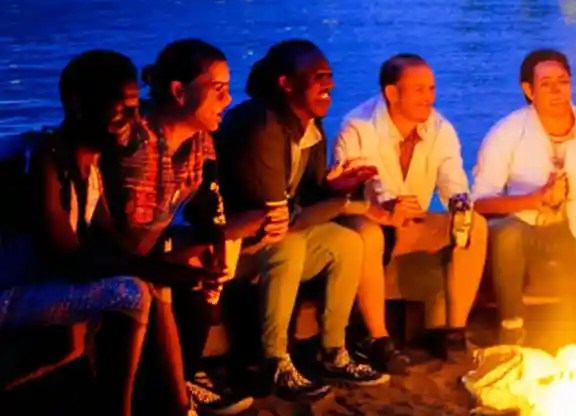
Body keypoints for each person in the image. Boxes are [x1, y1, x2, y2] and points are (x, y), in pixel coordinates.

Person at [0, 50, 213, 416]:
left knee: (145, 283)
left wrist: (178, 270)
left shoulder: (90, 164)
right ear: (78, 104)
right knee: (129, 291)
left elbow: (112, 241)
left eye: (134, 108)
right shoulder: (44, 160)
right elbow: (67, 258)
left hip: (36, 285)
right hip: (9, 292)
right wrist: (154, 270)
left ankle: (170, 401)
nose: (134, 120)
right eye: (122, 109)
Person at [217, 39, 387, 401]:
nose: (330, 85)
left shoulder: (311, 128)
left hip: (280, 230)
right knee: (291, 244)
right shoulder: (260, 124)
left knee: (346, 242)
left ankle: (332, 350)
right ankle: (274, 360)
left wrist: (334, 188)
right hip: (238, 245)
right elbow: (277, 217)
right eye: (319, 77)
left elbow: (304, 202)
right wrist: (338, 202)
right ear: (286, 83)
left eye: (331, 76)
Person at [102, 39, 256, 415]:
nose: (228, 100)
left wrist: (214, 255)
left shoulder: (200, 140)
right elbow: (112, 237)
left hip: (146, 250)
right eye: (218, 90)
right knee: (168, 282)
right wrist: (171, 266)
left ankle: (183, 381)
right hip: (109, 257)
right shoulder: (134, 143)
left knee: (205, 264)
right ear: (177, 91)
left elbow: (209, 209)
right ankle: (171, 394)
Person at [333, 53, 488, 370]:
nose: (429, 97)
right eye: (419, 89)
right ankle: (378, 339)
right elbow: (354, 185)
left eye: (431, 88)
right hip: (368, 221)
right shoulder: (357, 127)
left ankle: (454, 333)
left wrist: (460, 204)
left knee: (475, 225)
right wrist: (388, 206)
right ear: (392, 93)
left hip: (410, 223)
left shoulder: (440, 128)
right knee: (366, 232)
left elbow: (451, 175)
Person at [472, 49, 576, 346]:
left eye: (563, 81)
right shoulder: (507, 132)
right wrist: (534, 200)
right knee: (506, 234)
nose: (557, 90)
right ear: (528, 90)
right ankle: (512, 328)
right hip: (526, 232)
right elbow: (480, 202)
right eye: (546, 83)